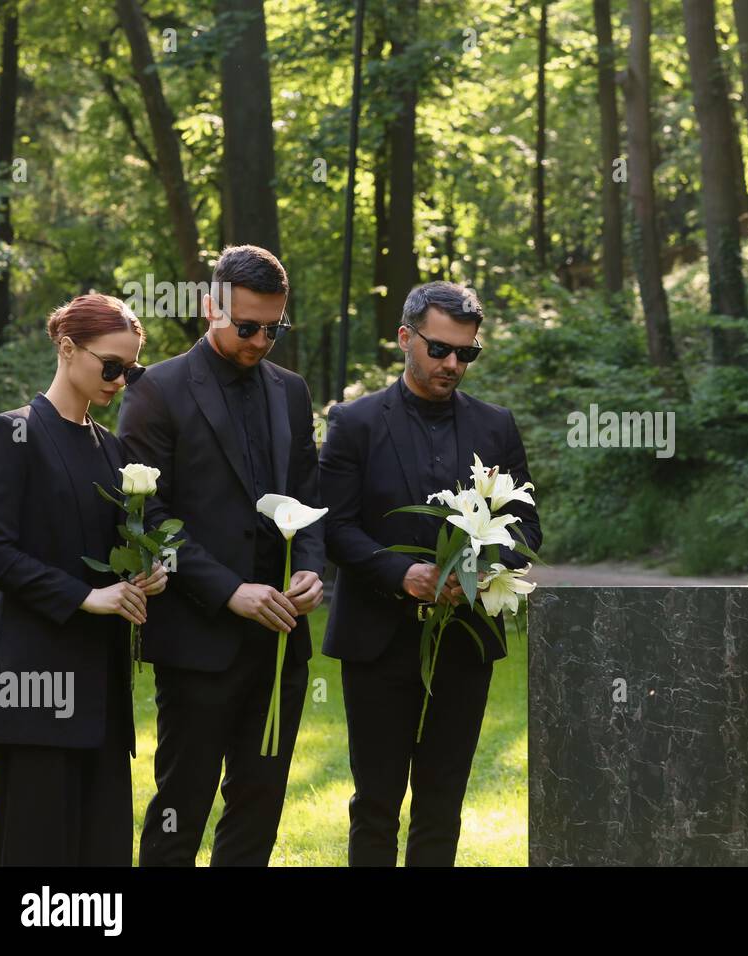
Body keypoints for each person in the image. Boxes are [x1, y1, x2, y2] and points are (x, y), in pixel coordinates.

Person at [320, 281, 541, 866]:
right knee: (376, 801)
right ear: (404, 338)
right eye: (439, 349)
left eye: (466, 353)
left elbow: (526, 531)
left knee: (443, 801)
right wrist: (402, 575)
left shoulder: (496, 425)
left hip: (465, 638)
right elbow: (336, 529)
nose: (451, 364)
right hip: (376, 637)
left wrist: (475, 570)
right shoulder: (354, 422)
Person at [118, 245, 325, 866]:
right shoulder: (157, 389)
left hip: (281, 640)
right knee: (181, 806)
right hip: (198, 641)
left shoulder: (292, 392)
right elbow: (146, 519)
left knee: (259, 806)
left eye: (274, 327)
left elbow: (309, 498)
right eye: (246, 326)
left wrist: (312, 567)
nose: (262, 339)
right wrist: (229, 590)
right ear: (210, 308)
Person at [0, 293, 166, 865]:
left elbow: (145, 534)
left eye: (131, 370)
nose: (121, 380)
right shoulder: (12, 434)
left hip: (101, 686)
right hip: (34, 682)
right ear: (66, 348)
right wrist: (86, 596)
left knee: (102, 851)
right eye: (111, 366)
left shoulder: (115, 450)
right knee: (38, 852)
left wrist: (152, 568)